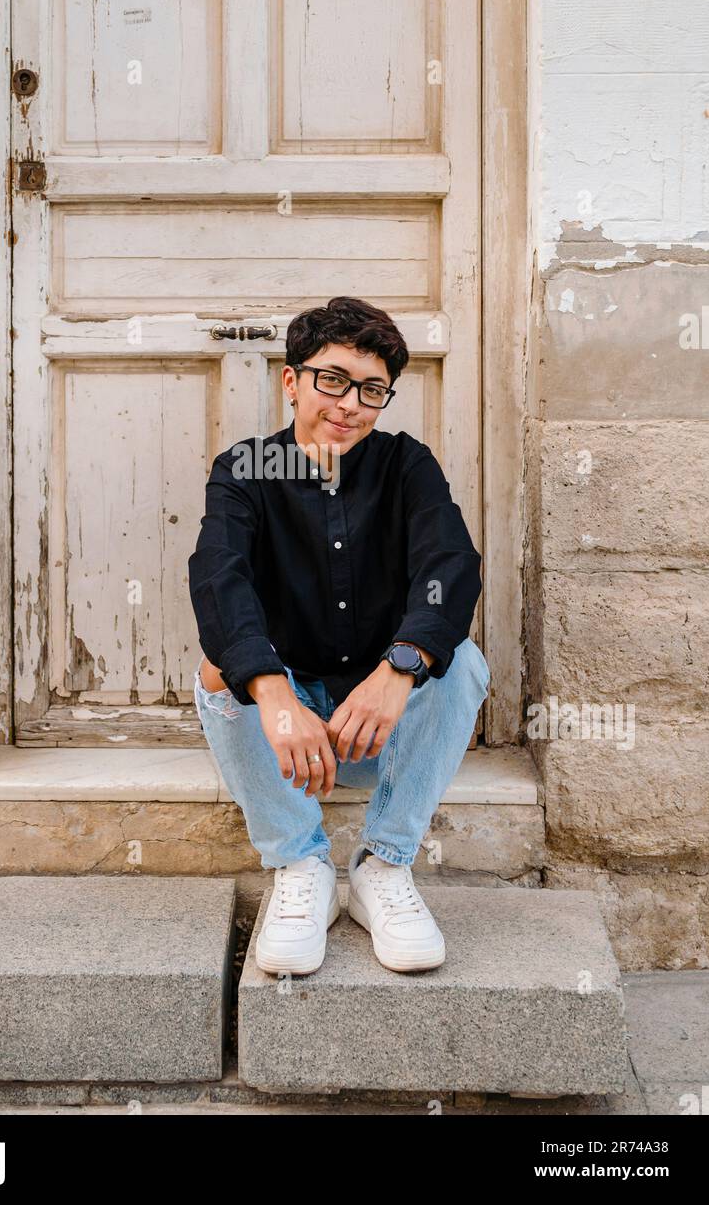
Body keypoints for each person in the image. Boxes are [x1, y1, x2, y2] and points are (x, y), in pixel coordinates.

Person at [187, 296, 490, 976]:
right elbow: (220, 580)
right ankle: (299, 864)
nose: (349, 403)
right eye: (332, 379)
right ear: (291, 381)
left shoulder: (405, 466)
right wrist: (272, 694)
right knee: (215, 668)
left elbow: (450, 567)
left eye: (371, 390)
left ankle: (384, 866)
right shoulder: (244, 471)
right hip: (285, 738)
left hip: (376, 733)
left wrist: (398, 670)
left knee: (461, 662)